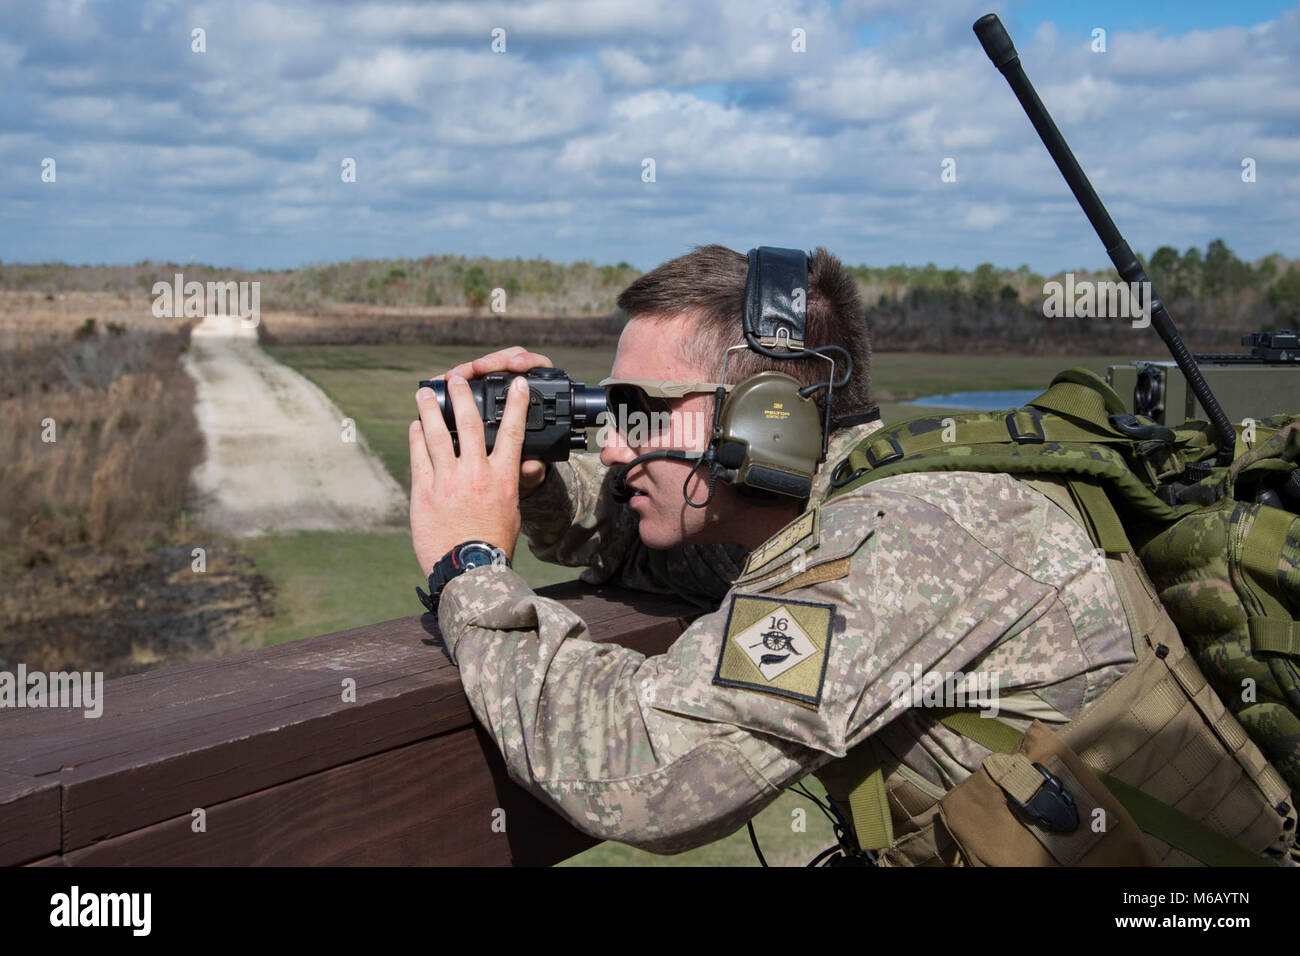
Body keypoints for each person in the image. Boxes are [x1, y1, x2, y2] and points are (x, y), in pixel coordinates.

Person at [407, 244, 1142, 862]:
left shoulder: (892, 548)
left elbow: (645, 770)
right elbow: (626, 546)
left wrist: (467, 565)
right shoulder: (802, 501)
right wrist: (525, 465)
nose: (611, 445)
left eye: (639, 411)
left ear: (765, 419)